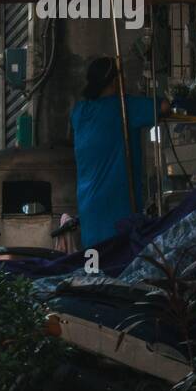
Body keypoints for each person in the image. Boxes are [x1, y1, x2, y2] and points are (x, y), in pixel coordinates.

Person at [70, 56, 167, 249]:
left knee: (98, 260)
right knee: (120, 256)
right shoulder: (123, 107)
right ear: (115, 81)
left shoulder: (80, 111)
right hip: (117, 199)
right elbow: (163, 107)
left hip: (88, 201)